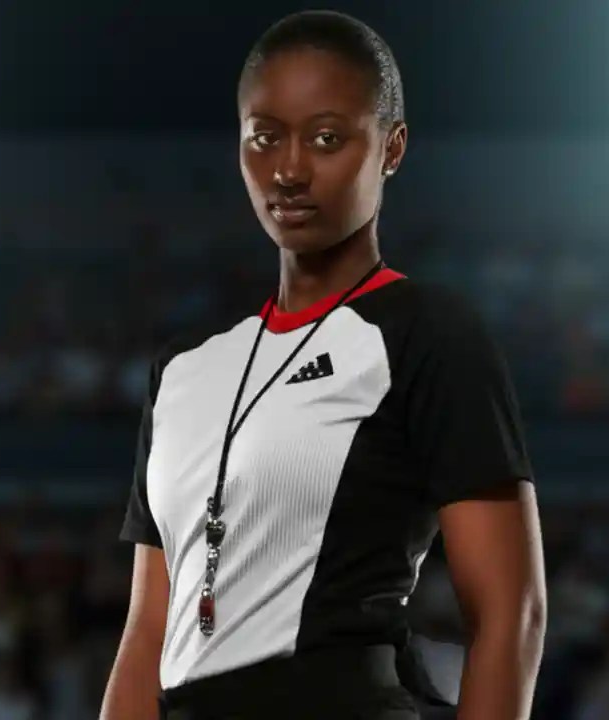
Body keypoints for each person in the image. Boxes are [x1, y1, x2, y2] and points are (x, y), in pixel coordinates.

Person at [100, 10, 546, 720]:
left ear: (391, 148)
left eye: (328, 138)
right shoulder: (183, 368)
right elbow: (148, 631)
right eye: (264, 136)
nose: (289, 168)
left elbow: (510, 616)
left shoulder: (429, 331)